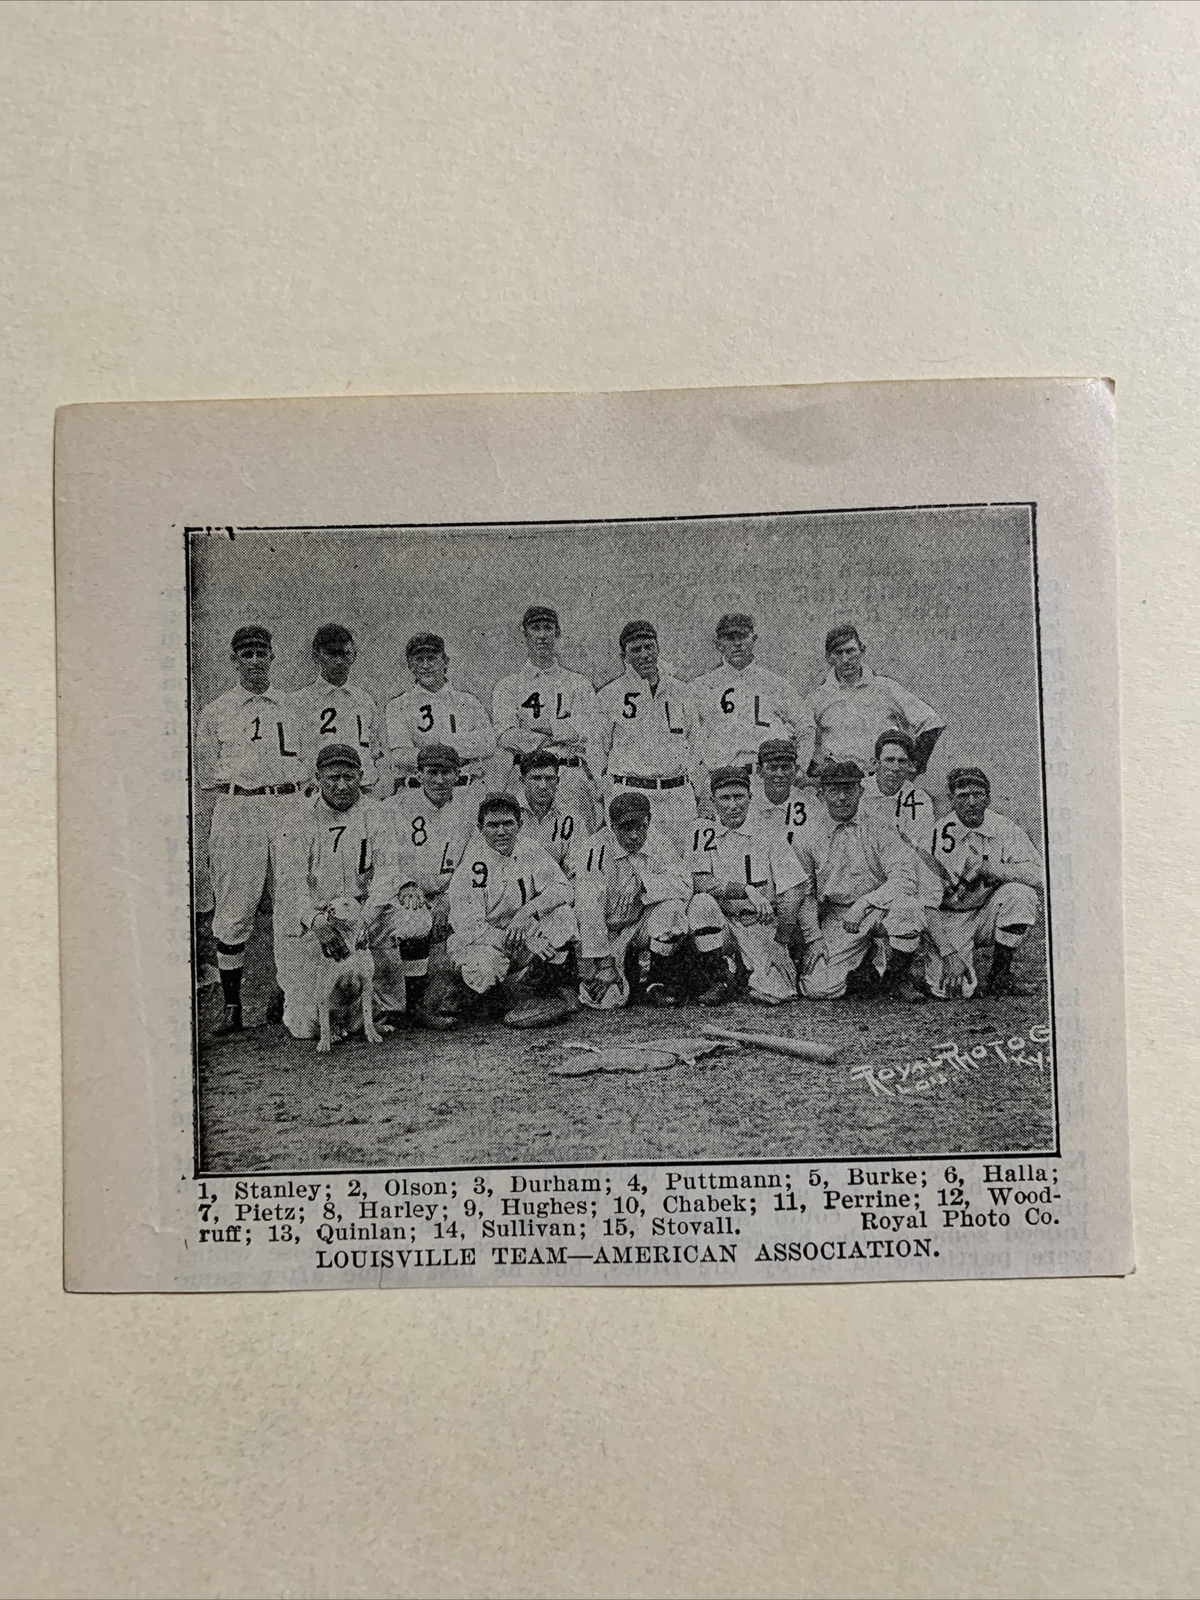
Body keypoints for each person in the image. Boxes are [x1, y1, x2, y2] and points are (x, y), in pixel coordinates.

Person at [193, 624, 306, 1035]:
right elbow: (208, 773)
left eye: (261, 653)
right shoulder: (217, 710)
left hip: (288, 805)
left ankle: (292, 995)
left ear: (273, 657)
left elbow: (308, 761)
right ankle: (232, 1006)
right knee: (235, 906)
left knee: (294, 901)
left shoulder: (294, 706)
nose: (255, 661)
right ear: (235, 661)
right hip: (239, 806)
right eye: (247, 654)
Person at [274, 745, 424, 1041]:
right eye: (332, 778)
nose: (341, 785)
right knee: (308, 1027)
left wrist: (365, 920)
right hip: (315, 921)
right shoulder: (295, 819)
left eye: (348, 776)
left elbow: (387, 871)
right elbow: (291, 887)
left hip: (362, 914)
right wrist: (318, 924)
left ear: (361, 776)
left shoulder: (377, 812)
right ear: (317, 778)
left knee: (415, 918)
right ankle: (291, 992)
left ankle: (393, 1000)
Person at [425, 793, 579, 1029]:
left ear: (520, 824)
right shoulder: (472, 866)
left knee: (563, 916)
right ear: (480, 827)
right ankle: (486, 997)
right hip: (482, 943)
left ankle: (545, 988)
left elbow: (563, 889)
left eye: (507, 823)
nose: (501, 831)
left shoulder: (529, 848)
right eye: (493, 825)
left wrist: (527, 911)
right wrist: (526, 941)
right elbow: (471, 929)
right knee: (484, 971)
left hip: (520, 931)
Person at [793, 761, 926, 1001]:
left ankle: (897, 979)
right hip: (839, 917)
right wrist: (814, 938)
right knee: (818, 988)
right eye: (834, 790)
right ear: (821, 794)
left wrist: (866, 904)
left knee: (909, 907)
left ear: (861, 791)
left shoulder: (881, 826)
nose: (842, 797)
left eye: (849, 789)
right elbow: (806, 894)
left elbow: (904, 878)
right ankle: (867, 968)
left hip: (880, 908)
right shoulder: (807, 835)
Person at [922, 767, 1043, 999]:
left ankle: (1000, 975)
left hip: (987, 912)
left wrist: (993, 869)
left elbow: (1039, 874)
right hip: (949, 918)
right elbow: (926, 905)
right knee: (953, 992)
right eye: (963, 796)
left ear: (988, 797)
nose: (971, 802)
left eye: (978, 795)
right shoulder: (936, 836)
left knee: (1021, 894)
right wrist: (949, 955)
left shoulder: (1003, 827)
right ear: (951, 799)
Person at [570, 790, 696, 1010]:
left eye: (641, 826)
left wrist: (644, 884)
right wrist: (605, 965)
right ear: (611, 826)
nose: (635, 835)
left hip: (639, 925)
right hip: (606, 933)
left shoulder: (659, 841)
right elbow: (588, 910)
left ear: (649, 821)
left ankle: (658, 979)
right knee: (608, 1001)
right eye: (626, 828)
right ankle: (622, 966)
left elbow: (685, 885)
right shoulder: (593, 849)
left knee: (673, 909)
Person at [689, 766, 805, 1004]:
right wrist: (746, 889)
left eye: (739, 797)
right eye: (725, 798)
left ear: (750, 797)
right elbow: (699, 881)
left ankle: (744, 973)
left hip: (758, 923)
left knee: (777, 991)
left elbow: (794, 888)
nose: (733, 805)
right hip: (722, 924)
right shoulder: (702, 830)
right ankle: (720, 976)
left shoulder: (769, 830)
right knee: (701, 904)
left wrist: (780, 942)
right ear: (712, 800)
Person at [596, 620, 704, 855]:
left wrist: (696, 789)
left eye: (649, 647)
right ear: (624, 655)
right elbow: (597, 750)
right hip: (633, 792)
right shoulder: (610, 695)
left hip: (677, 795)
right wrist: (607, 793)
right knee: (637, 864)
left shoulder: (681, 691)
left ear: (657, 648)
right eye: (636, 650)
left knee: (682, 862)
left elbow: (696, 745)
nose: (644, 655)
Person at [387, 743, 477, 1025]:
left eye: (447, 773)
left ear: (458, 774)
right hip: (408, 891)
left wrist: (450, 897)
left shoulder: (468, 807)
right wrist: (406, 885)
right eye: (432, 772)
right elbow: (385, 854)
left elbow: (474, 858)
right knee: (414, 919)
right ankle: (414, 1004)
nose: (439, 780)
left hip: (451, 892)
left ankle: (474, 995)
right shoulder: (396, 806)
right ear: (419, 774)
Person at [492, 604, 600, 831]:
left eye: (548, 628)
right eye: (535, 628)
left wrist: (539, 728)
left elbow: (588, 730)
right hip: (527, 778)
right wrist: (560, 735)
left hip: (569, 776)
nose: (542, 635)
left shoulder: (578, 683)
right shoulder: (508, 686)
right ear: (524, 634)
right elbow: (505, 734)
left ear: (557, 633)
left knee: (577, 848)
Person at [691, 612, 814, 782]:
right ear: (719, 644)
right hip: (721, 778)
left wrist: (799, 768)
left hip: (766, 777)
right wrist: (697, 774)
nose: (737, 643)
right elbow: (685, 735)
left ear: (754, 639)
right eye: (729, 638)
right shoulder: (701, 687)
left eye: (742, 636)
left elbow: (806, 725)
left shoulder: (775, 684)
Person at [808, 624, 944, 776]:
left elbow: (931, 722)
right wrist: (813, 771)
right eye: (838, 653)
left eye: (850, 651)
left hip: (879, 780)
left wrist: (915, 765)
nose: (845, 659)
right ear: (828, 657)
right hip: (839, 785)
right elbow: (798, 736)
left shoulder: (885, 688)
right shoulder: (818, 697)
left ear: (862, 651)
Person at [384, 633, 496, 791]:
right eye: (419, 660)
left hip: (465, 789)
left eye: (431, 658)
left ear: (445, 661)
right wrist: (457, 752)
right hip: (418, 791)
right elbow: (400, 756)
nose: (425, 666)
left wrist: (438, 748)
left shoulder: (468, 701)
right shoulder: (399, 705)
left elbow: (488, 744)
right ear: (410, 665)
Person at [289, 622, 383, 791]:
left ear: (353, 655)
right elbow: (292, 754)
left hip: (361, 790)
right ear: (316, 656)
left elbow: (374, 750)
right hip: (318, 791)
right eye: (332, 654)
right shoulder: (299, 701)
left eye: (345, 654)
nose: (339, 661)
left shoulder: (365, 700)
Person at [859, 730, 942, 910]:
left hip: (901, 882)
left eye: (902, 761)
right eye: (889, 760)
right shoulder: (859, 792)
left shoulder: (918, 800)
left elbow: (920, 852)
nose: (895, 768)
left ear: (910, 766)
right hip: (862, 883)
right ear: (875, 763)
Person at [748, 738, 820, 858]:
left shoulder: (810, 804)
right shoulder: (749, 804)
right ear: (760, 771)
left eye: (786, 767)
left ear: (795, 770)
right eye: (773, 768)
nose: (780, 774)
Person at [514, 749, 583, 867]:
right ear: (522, 781)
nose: (543, 786)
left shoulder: (571, 819)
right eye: (536, 778)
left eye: (549, 779)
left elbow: (577, 868)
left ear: (557, 781)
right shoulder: (508, 815)